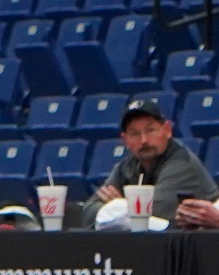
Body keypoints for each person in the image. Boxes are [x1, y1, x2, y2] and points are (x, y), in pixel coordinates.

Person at [81, 98, 217, 229]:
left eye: (150, 130)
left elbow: (154, 211)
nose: (144, 140)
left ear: (167, 130)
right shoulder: (127, 165)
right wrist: (121, 209)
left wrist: (117, 207)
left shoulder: (182, 163)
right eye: (135, 134)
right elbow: (88, 211)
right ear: (125, 140)